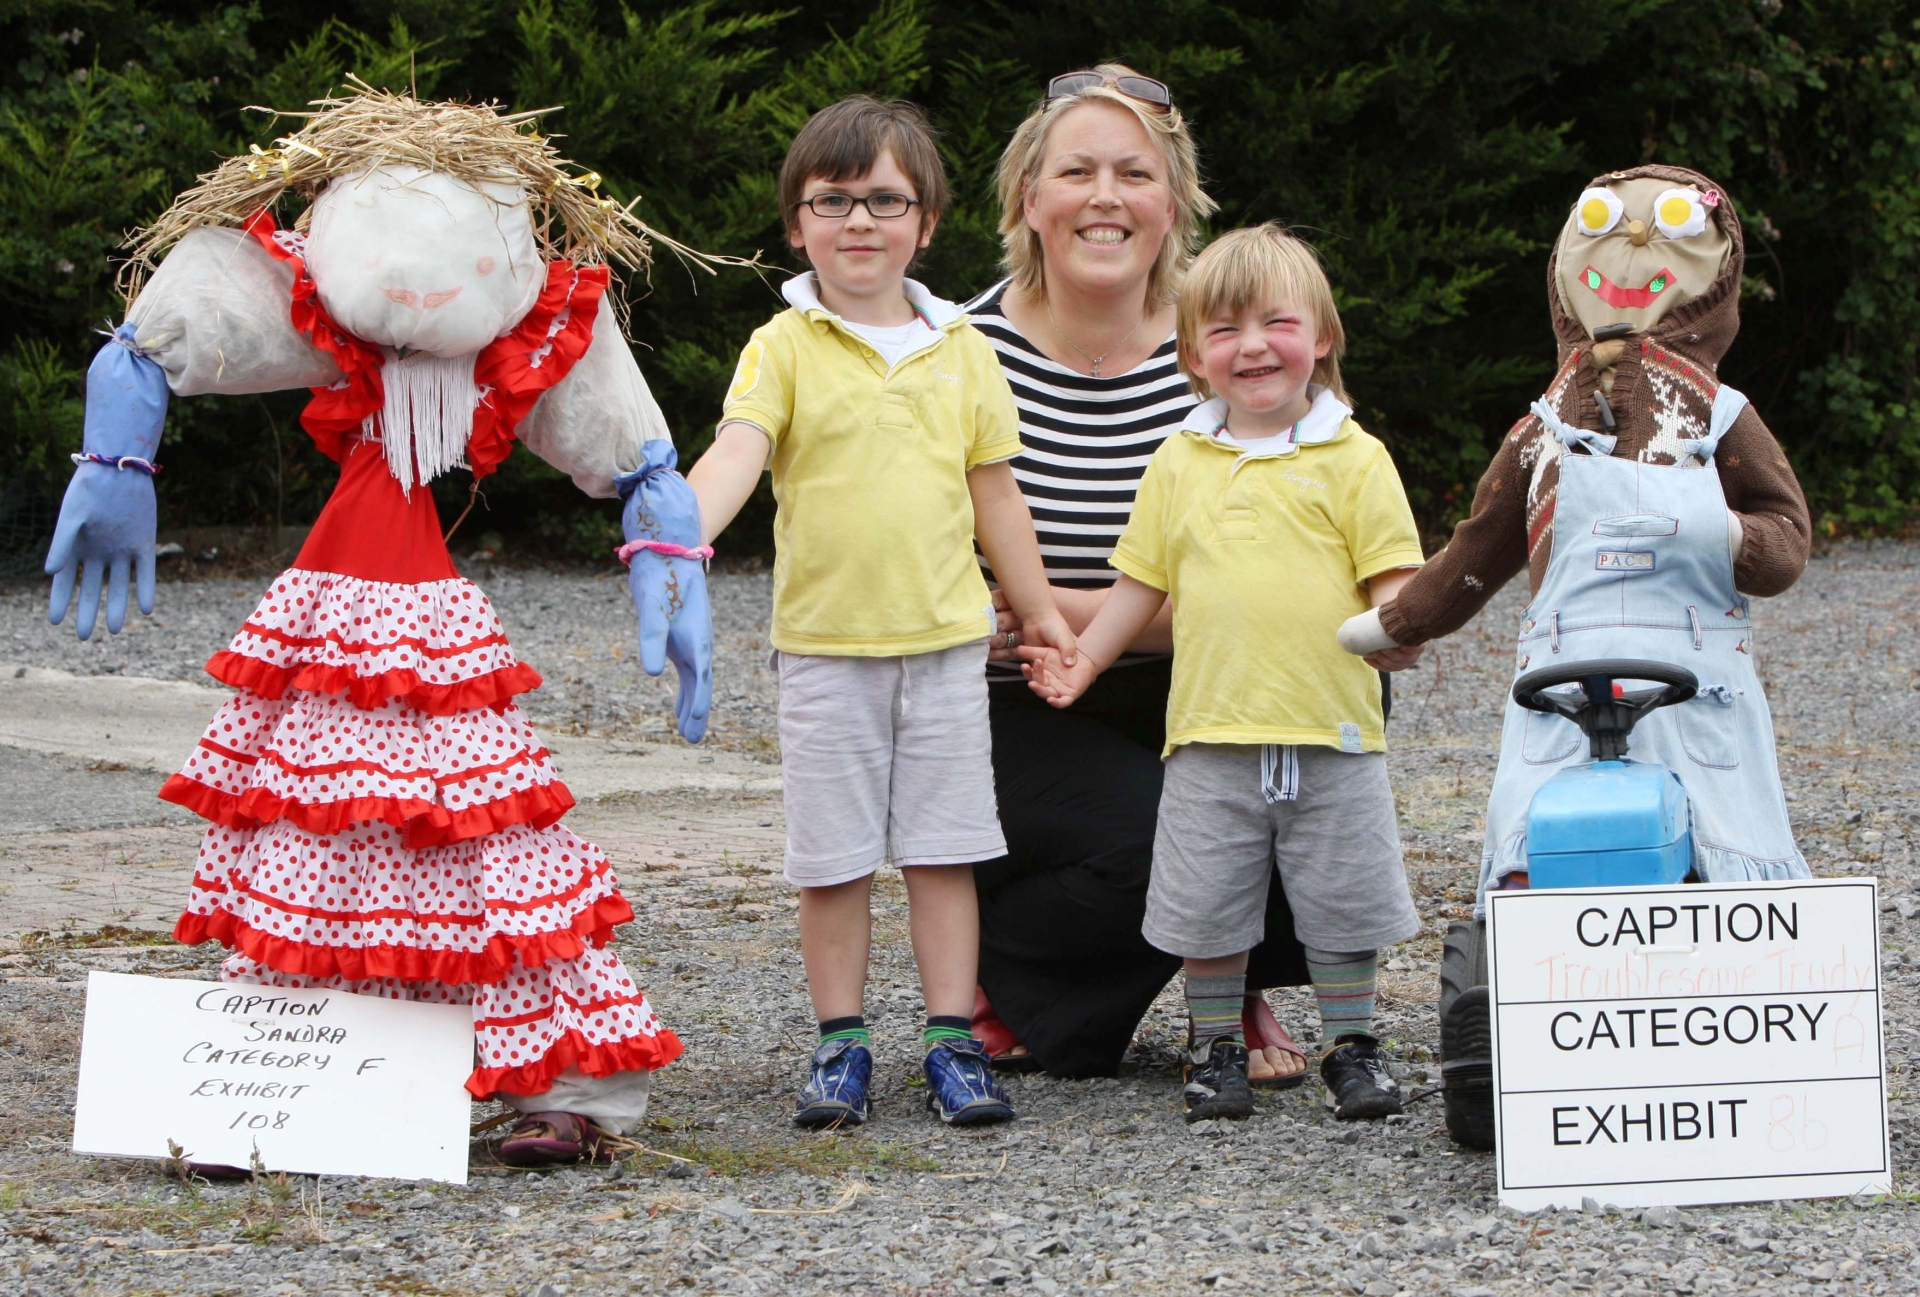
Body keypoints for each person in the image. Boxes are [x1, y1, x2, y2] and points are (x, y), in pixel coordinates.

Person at [42, 87, 699, 1169]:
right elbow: (167, 329)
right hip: (346, 596)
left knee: (468, 834)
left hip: (409, 610)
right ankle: (270, 1087)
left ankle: (561, 1078)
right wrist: (115, 453)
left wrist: (670, 564)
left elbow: (634, 453)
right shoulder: (314, 303)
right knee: (324, 828)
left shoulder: (534, 327)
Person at [685, 97, 1074, 1128]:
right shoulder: (783, 344)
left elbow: (999, 494)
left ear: (928, 220)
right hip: (822, 653)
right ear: (797, 222)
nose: (861, 222)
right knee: (834, 859)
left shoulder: (964, 348)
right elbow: (740, 451)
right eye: (835, 201)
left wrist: (1041, 616)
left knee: (944, 851)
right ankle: (840, 1045)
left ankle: (952, 1041)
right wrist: (679, 531)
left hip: (947, 651)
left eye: (885, 200)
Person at [1024, 224, 1427, 1121]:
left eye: (1276, 322)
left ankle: (1352, 1046)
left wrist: (1401, 625)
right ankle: (1213, 1050)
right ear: (1193, 357)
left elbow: (1393, 575)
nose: (1252, 347)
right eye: (1223, 330)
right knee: (1207, 904)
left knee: (1342, 902)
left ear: (1320, 336)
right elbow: (1139, 584)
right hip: (1209, 733)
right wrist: (1084, 659)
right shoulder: (1179, 461)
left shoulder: (1354, 457)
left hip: (1333, 730)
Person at [963, 66, 1315, 1085]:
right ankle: (1011, 954)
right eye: (1076, 171)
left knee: (1330, 726)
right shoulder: (955, 350)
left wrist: (1050, 610)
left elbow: (1284, 583)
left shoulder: (1233, 357)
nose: (1105, 197)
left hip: (1193, 684)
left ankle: (1225, 972)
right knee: (1175, 840)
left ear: (1175, 203)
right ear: (1029, 199)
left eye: (1135, 173)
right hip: (1008, 701)